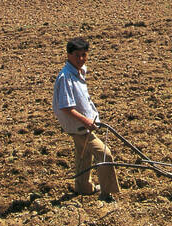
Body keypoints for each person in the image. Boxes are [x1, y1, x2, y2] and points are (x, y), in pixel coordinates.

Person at [51, 37, 121, 200]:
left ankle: (83, 187)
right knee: (105, 154)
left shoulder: (78, 72)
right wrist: (86, 121)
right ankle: (107, 193)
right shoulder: (66, 77)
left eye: (84, 55)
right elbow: (66, 107)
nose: (81, 59)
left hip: (84, 126)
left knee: (83, 155)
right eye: (77, 55)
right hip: (79, 128)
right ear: (68, 55)